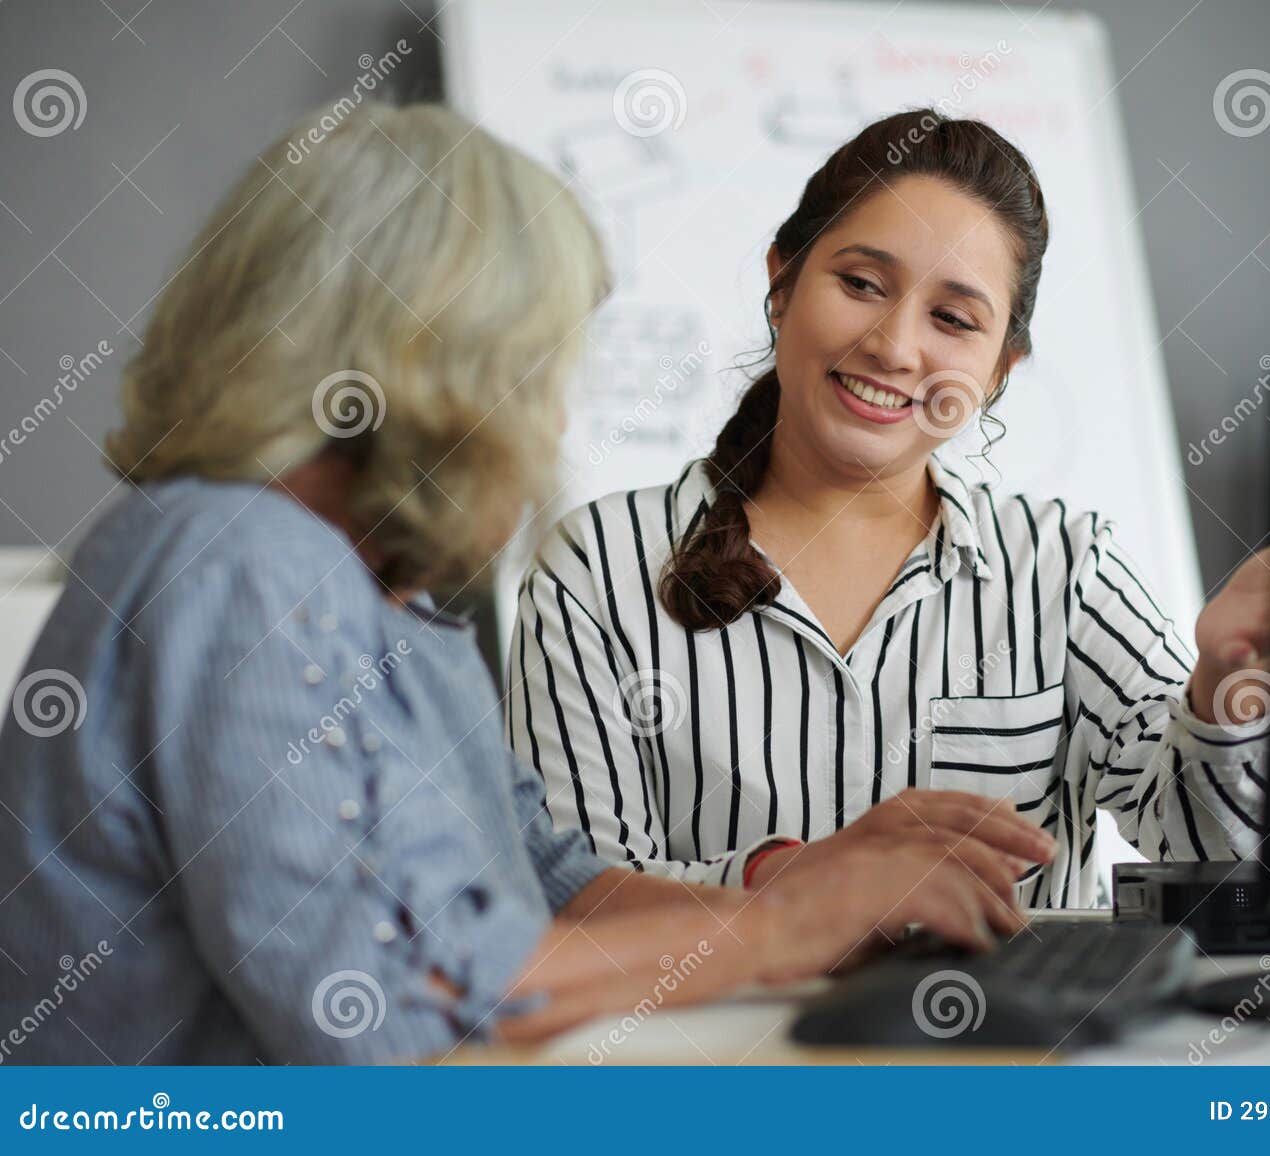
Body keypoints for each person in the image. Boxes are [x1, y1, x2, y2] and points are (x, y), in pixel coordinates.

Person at [0, 102, 1026, 1066]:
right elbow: (388, 1002)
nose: (547, 421)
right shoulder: (239, 563)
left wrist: (807, 893)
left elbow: (545, 883)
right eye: (537, 369)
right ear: (433, 366)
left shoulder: (377, 592)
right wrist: (786, 927)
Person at [510, 108, 1270, 909]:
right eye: (860, 284)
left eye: (953, 319)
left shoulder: (1065, 570)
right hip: (720, 1038)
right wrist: (791, 883)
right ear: (781, 285)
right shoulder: (597, 569)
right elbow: (570, 900)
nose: (893, 345)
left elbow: (1216, 851)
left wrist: (1223, 684)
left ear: (1000, 370)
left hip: (1009, 1038)